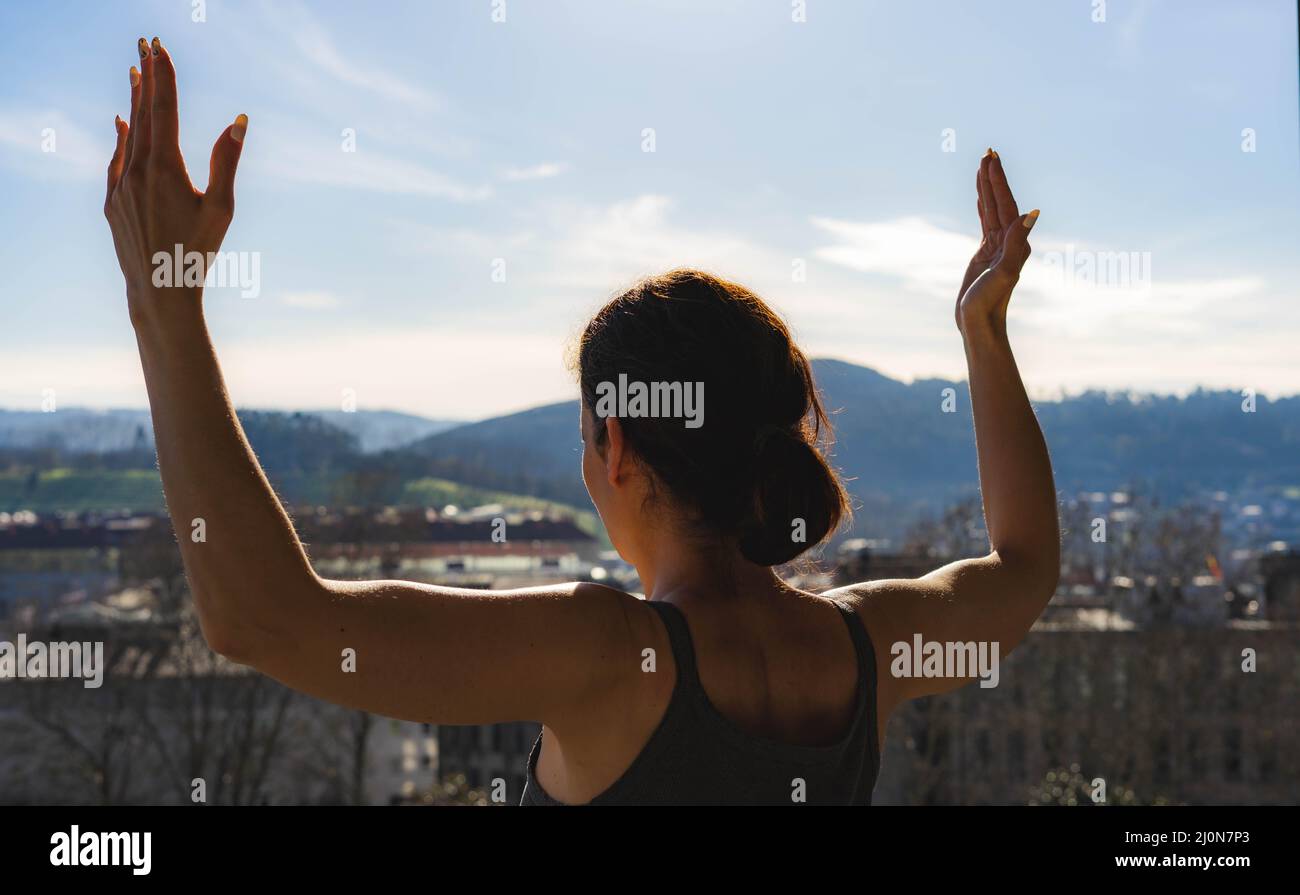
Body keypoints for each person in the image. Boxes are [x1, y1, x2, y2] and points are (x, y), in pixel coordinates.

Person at [104, 38, 1059, 806]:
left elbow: (262, 618)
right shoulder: (866, 646)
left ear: (618, 447)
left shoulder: (614, 656)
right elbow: (1023, 569)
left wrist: (166, 303)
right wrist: (982, 333)